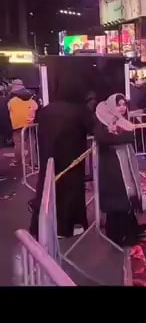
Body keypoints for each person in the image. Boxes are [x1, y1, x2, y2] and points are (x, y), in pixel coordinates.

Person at [28, 83, 96, 239]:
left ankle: (39, 227)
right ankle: (65, 228)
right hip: (72, 159)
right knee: (70, 193)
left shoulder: (46, 110)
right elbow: (94, 128)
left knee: (46, 190)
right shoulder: (79, 110)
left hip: (48, 157)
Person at [94, 94, 146, 247]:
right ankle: (118, 234)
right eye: (118, 105)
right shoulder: (102, 120)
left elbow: (130, 137)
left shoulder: (122, 120)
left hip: (124, 162)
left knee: (127, 196)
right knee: (117, 200)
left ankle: (131, 228)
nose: (122, 108)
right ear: (111, 106)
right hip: (112, 166)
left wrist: (122, 134)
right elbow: (104, 139)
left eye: (124, 104)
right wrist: (122, 136)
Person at [8, 79, 38, 167]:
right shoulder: (31, 98)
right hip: (30, 124)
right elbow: (36, 107)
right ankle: (32, 161)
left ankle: (17, 160)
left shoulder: (12, 101)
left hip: (17, 125)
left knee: (18, 144)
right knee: (31, 143)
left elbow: (8, 109)